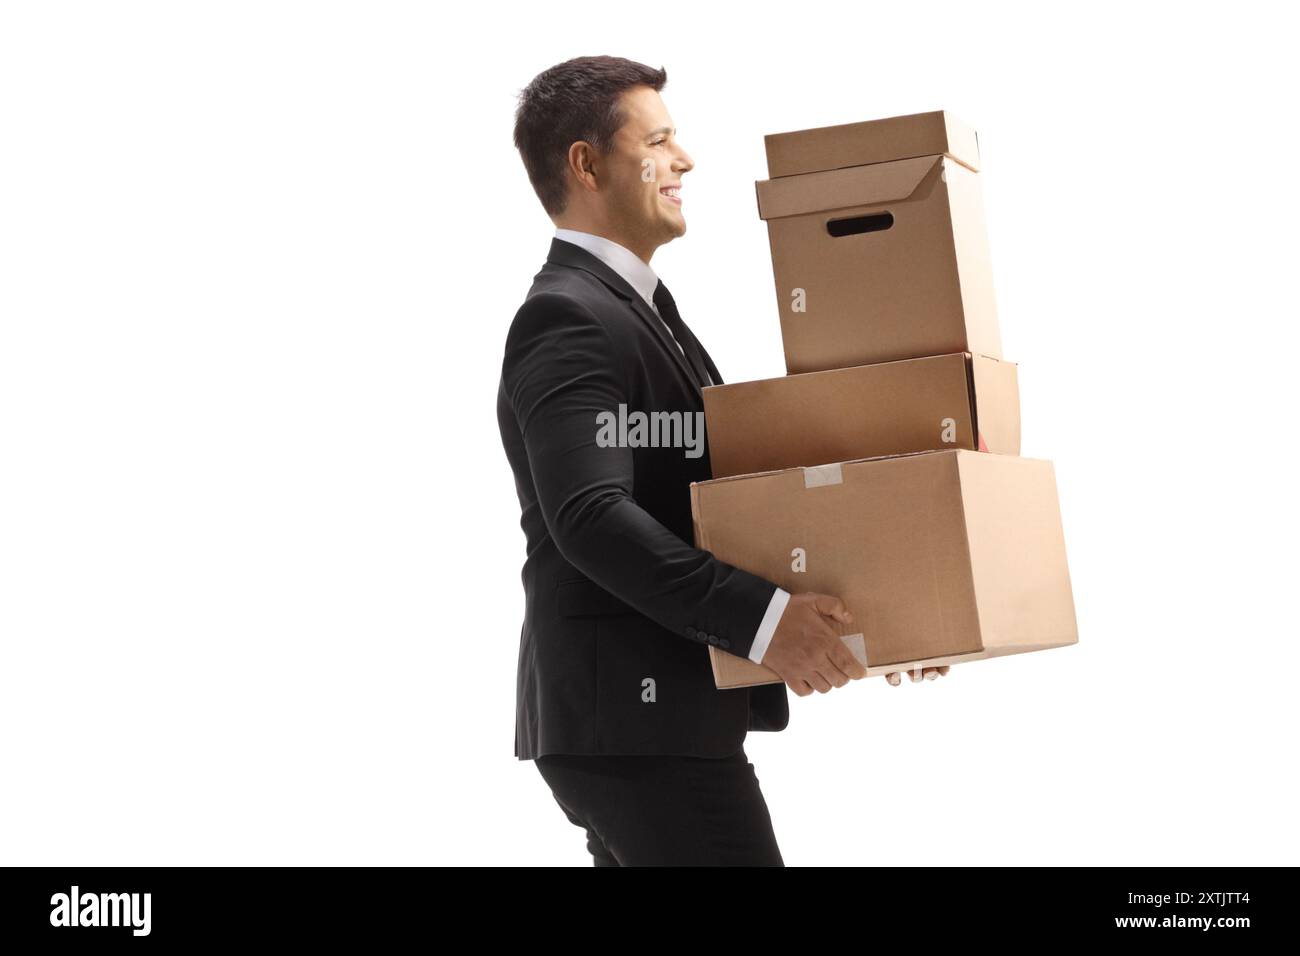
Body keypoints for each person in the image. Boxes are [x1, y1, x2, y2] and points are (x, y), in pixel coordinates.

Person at [497, 55, 947, 867]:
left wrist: (892, 614)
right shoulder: (568, 317)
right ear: (587, 164)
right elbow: (590, 518)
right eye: (661, 141)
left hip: (651, 725)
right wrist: (767, 623)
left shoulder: (638, 311)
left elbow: (720, 503)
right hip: (638, 729)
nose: (688, 161)